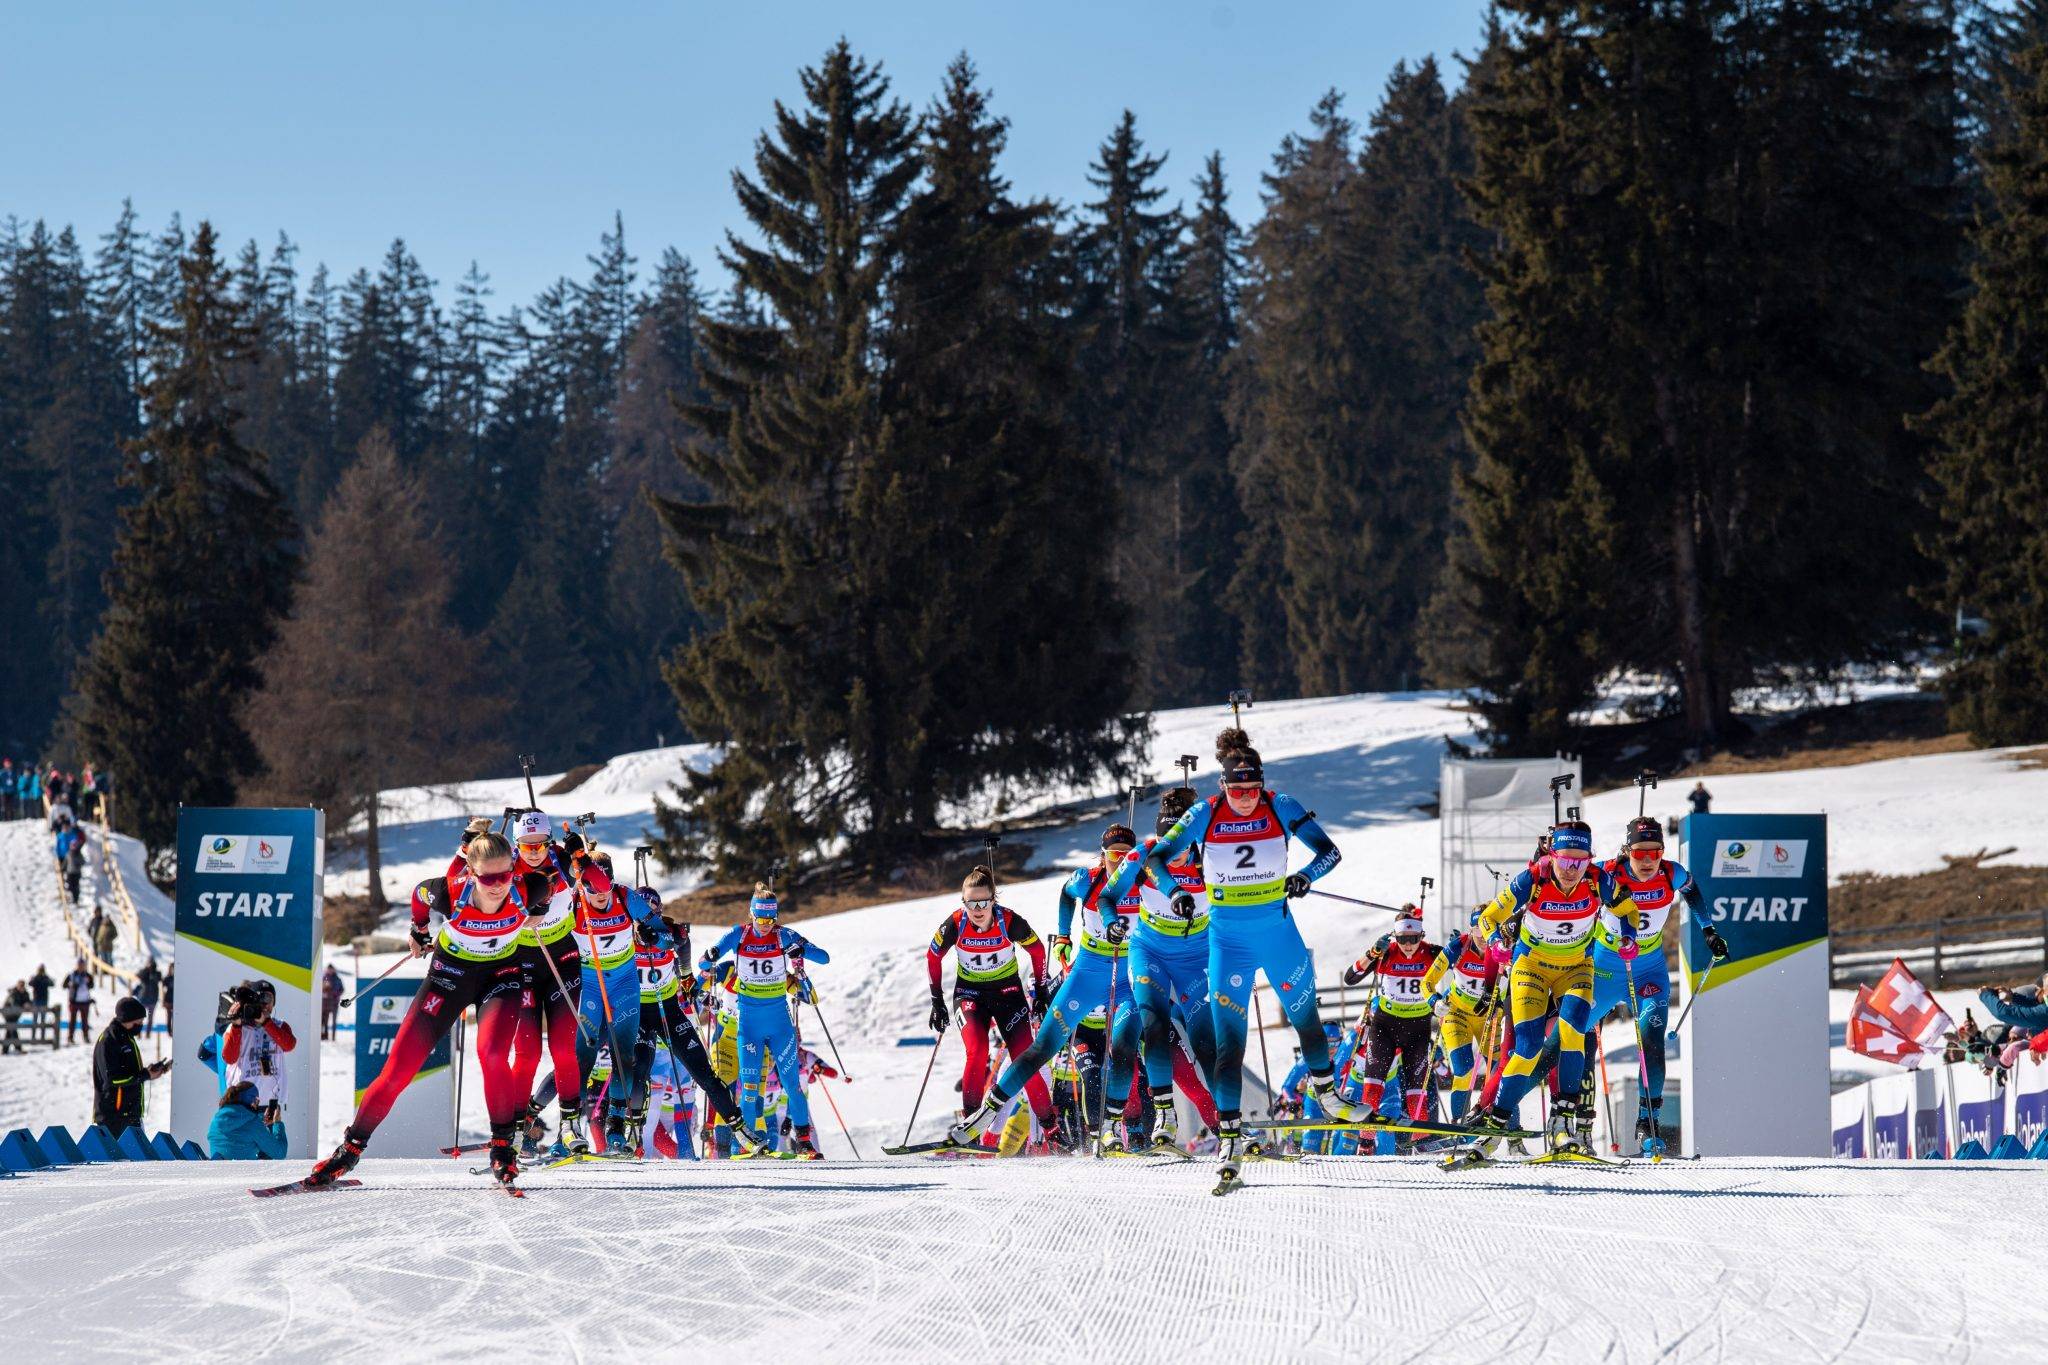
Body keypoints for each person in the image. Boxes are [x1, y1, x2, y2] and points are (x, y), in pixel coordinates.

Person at [1067, 728, 1366, 1174]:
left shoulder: (1279, 805)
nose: (1245, 797)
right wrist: (1171, 891)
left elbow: (1329, 852)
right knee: (1223, 1042)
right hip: (1221, 943)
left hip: (1273, 931)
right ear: (1222, 785)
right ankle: (1216, 1134)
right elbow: (1153, 858)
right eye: (1236, 788)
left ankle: (1327, 1094)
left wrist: (1305, 877)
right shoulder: (1205, 813)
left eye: (1252, 788)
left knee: (1306, 1017)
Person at [303, 831, 553, 1190]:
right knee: (398, 1070)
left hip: (502, 976)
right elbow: (419, 895)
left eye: (504, 875)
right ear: (471, 871)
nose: (497, 886)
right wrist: (418, 930)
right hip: (449, 977)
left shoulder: (529, 888)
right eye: (487, 878)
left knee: (493, 1054)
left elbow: (548, 890)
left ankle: (503, 1150)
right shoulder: (450, 891)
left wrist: (539, 912)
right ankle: (349, 1150)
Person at [948, 822, 1148, 1154]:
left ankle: (1119, 1129)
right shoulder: (1088, 879)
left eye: (1127, 856)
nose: (1120, 862)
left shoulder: (1146, 882)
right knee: (1041, 1048)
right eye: (1114, 855)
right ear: (1103, 855)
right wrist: (1063, 934)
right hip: (1087, 974)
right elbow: (1066, 895)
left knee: (1125, 1049)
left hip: (1127, 981)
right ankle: (986, 1113)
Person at [1460, 820, 1639, 1157]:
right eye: (1565, 860)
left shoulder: (1598, 881)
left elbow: (1628, 909)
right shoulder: (1534, 879)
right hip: (1532, 968)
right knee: (1526, 1048)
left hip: (1576, 969)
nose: (1572, 869)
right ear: (1552, 855)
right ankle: (1495, 1127)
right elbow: (1489, 917)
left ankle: (1563, 1123)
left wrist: (1629, 936)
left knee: (1573, 1034)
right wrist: (1496, 941)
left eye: (1580, 861)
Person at [1587, 816, 1727, 1155]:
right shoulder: (1608, 872)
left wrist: (1707, 928)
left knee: (1652, 1043)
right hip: (1605, 970)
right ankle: (1575, 1120)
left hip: (1648, 970)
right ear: (1628, 851)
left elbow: (1692, 890)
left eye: (1655, 852)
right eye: (1640, 853)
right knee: (1574, 1040)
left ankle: (1648, 1125)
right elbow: (1573, 882)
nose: (1649, 861)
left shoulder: (1670, 872)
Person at [926, 865, 1062, 1141]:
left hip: (1007, 993)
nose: (977, 909)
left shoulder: (1009, 921)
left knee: (1025, 1057)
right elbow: (932, 957)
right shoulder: (955, 923)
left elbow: (1037, 951)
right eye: (970, 902)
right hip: (970, 994)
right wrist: (937, 1001)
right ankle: (970, 1129)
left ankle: (1051, 1129)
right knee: (977, 1051)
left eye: (983, 902)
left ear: (993, 900)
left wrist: (1041, 991)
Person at [701, 885, 832, 1158]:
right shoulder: (739, 934)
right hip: (749, 1025)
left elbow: (824, 957)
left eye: (770, 920)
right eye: (760, 919)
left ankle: (804, 1143)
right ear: (751, 914)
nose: (765, 926)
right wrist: (711, 956)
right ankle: (746, 1146)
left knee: (792, 1085)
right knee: (749, 1090)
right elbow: (704, 963)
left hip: (779, 1023)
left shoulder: (784, 935)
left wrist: (800, 949)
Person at [1123, 785, 1221, 1147]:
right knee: (1154, 1027)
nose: (1172, 853)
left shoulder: (1209, 860)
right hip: (1152, 955)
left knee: (1208, 1040)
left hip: (1195, 960)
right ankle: (1163, 1112)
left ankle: (1228, 1120)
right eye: (1166, 843)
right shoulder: (1148, 858)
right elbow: (1109, 894)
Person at [625, 904, 758, 1157]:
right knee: (639, 1070)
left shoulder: (669, 932)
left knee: (705, 1074)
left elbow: (681, 943)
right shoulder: (624, 935)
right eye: (643, 912)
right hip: (639, 1013)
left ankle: (740, 1130)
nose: (649, 917)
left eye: (653, 912)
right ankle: (632, 1136)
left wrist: (686, 976)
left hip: (669, 1012)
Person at [1339, 907, 1445, 1138]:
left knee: (1417, 1083)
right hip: (1385, 1026)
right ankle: (1366, 1138)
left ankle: (1421, 1137)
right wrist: (1372, 952)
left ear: (1421, 936)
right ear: (1396, 937)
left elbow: (1466, 963)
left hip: (1418, 1026)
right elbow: (1351, 977)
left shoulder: (1433, 953)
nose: (1408, 945)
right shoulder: (1386, 952)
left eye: (1413, 939)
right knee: (1374, 1079)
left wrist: (1460, 946)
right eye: (1403, 939)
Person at [1422, 911, 1507, 1121]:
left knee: (1499, 1074)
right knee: (1464, 1069)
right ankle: (1459, 1126)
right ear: (1470, 929)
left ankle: (1509, 1133)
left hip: (1488, 1019)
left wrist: (1504, 1007)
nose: (1481, 936)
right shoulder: (1458, 947)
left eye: (1486, 930)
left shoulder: (1506, 949)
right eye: (1476, 929)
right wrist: (1435, 1002)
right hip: (1456, 1014)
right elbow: (1427, 983)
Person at [93, 996, 170, 1136]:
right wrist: (145, 1075)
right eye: (138, 1021)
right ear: (127, 1019)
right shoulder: (109, 1040)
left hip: (131, 1113)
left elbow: (129, 1071)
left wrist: (150, 1071)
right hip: (114, 1117)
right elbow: (112, 1079)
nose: (140, 1025)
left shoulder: (127, 1037)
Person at [221, 979, 296, 1111]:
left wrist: (266, 1023)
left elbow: (289, 1045)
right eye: (260, 998)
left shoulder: (279, 1025)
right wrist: (236, 1025)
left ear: (274, 1004)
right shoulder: (236, 1028)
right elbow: (229, 1058)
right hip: (242, 1103)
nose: (265, 1004)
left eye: (269, 999)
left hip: (270, 1103)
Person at [208, 1080, 288, 1159]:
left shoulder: (216, 1120)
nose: (258, 1103)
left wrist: (260, 1122)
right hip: (243, 1171)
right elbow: (279, 1153)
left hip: (217, 1170)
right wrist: (277, 1123)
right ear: (250, 1099)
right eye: (256, 1099)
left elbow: (238, 1132)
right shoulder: (253, 1124)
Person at [63, 957, 93, 1042]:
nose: (81, 967)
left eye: (83, 965)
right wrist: (71, 985)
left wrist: (88, 982)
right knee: (72, 1021)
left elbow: (92, 986)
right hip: (74, 1001)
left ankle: (86, 1037)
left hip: (85, 1001)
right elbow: (64, 985)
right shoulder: (71, 975)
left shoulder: (87, 975)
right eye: (80, 965)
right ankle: (70, 1037)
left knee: (85, 1021)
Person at [136, 957, 163, 1034]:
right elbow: (138, 975)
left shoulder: (157, 973)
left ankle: (148, 1033)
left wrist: (152, 971)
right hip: (143, 998)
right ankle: (138, 1033)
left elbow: (160, 978)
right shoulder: (144, 972)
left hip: (152, 999)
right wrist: (146, 969)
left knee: (150, 1018)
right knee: (139, 1017)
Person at [2, 980, 27, 1053]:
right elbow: (14, 1003)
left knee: (10, 1031)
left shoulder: (25, 993)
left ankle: (5, 1050)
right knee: (12, 1030)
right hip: (8, 1014)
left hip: (15, 1015)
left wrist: (27, 1003)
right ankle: (18, 1048)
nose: (21, 987)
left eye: (23, 985)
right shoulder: (13, 993)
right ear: (17, 986)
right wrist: (24, 1004)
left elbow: (29, 1001)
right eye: (20, 985)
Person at [320, 964, 343, 1040]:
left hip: (334, 1002)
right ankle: (324, 1036)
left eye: (331, 969)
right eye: (328, 969)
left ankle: (333, 1037)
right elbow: (319, 989)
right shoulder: (324, 978)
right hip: (325, 1002)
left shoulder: (337, 979)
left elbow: (341, 989)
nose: (329, 971)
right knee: (324, 1021)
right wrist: (325, 990)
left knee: (334, 1021)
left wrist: (335, 994)